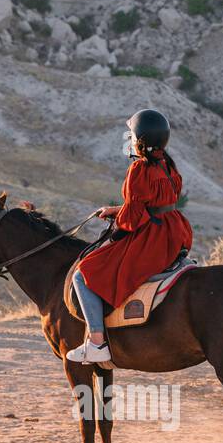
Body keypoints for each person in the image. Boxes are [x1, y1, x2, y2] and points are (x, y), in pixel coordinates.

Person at [68, 109, 193, 366]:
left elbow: (134, 218)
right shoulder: (168, 164)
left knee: (84, 273)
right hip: (173, 231)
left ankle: (97, 342)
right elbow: (151, 204)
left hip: (152, 237)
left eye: (132, 136)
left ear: (140, 140)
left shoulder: (139, 168)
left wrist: (117, 233)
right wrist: (116, 210)